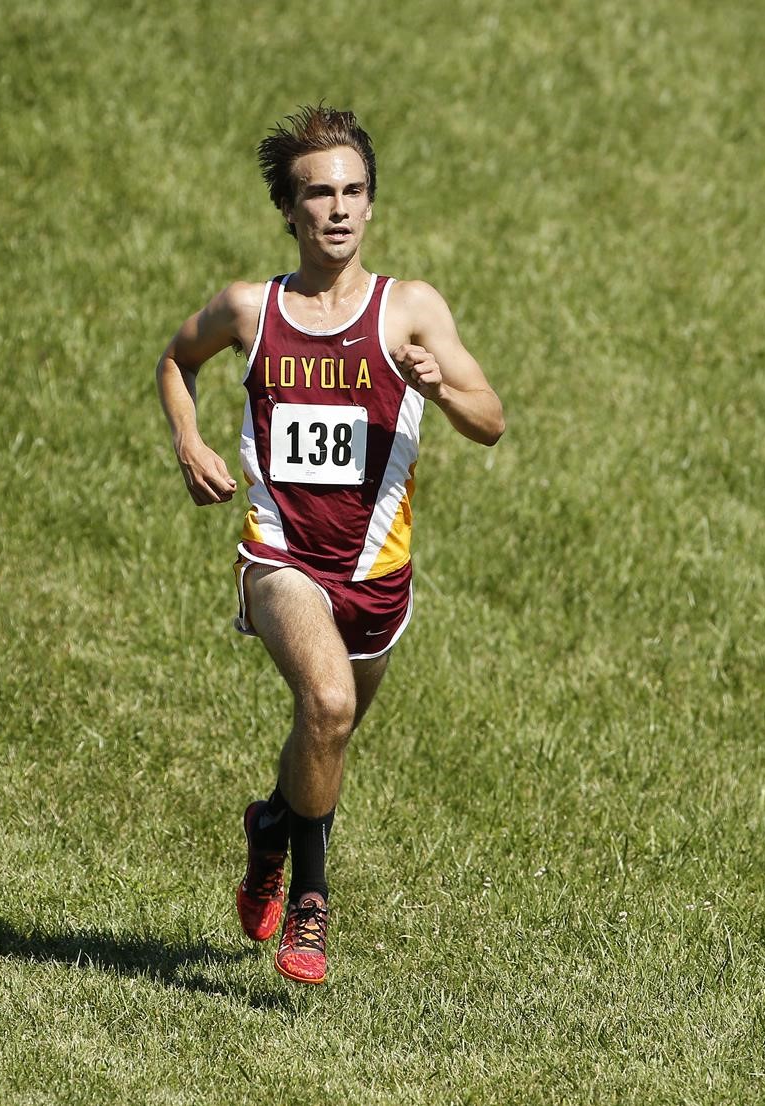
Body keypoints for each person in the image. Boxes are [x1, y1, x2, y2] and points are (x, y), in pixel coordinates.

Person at [155, 105, 504, 984]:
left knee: (325, 737)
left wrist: (440, 388)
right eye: (319, 194)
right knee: (329, 705)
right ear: (289, 209)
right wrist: (191, 443)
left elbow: (491, 421)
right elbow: (175, 360)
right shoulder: (251, 309)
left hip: (378, 576)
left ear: (372, 204)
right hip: (281, 560)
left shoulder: (410, 309)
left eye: (354, 192)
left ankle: (272, 829)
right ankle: (309, 905)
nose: (339, 209)